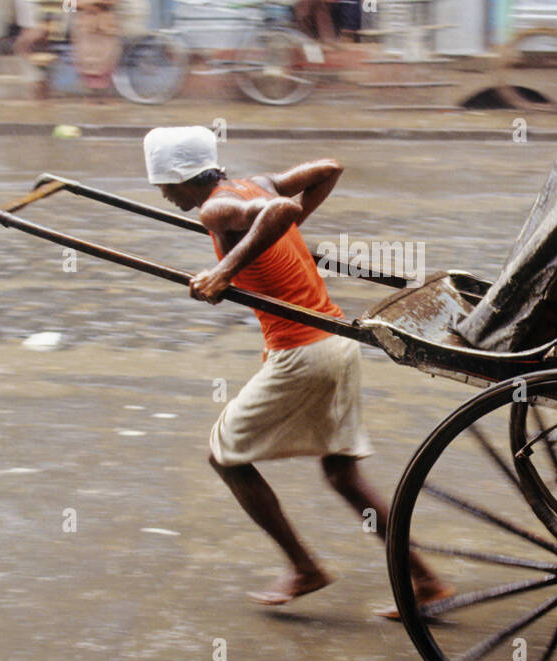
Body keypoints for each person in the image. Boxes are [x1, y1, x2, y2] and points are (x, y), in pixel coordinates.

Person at [144, 126, 450, 614]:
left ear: (181, 177)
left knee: (224, 458)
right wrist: (271, 238)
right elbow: (328, 170)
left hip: (303, 353)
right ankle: (426, 580)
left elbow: (284, 211)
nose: (161, 193)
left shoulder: (217, 208)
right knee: (342, 475)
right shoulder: (255, 184)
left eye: (163, 183)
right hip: (336, 342)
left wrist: (225, 270)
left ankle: (305, 568)